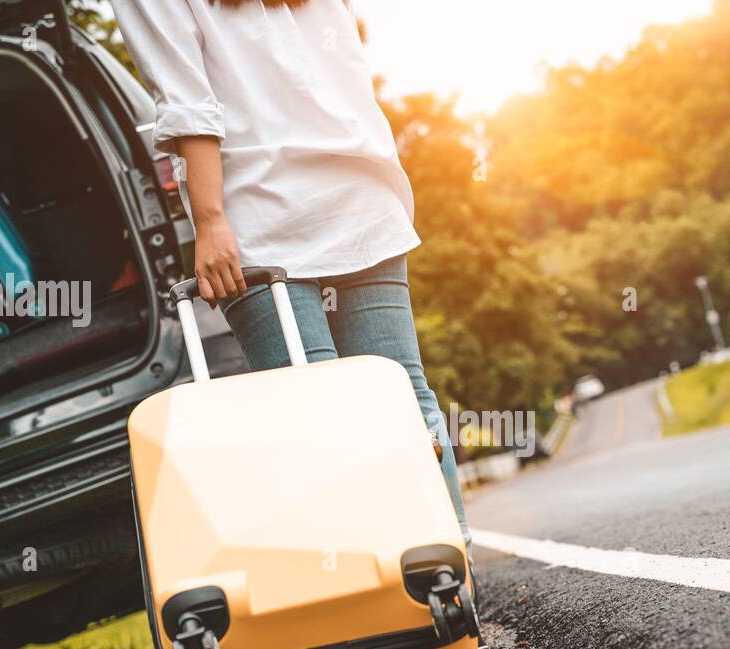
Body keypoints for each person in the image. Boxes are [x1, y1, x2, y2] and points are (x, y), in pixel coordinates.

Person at [112, 0, 471, 556]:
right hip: (359, 192)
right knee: (404, 398)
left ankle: (379, 597)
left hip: (259, 215)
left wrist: (209, 222)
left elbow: (189, 106)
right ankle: (451, 592)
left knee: (317, 419)